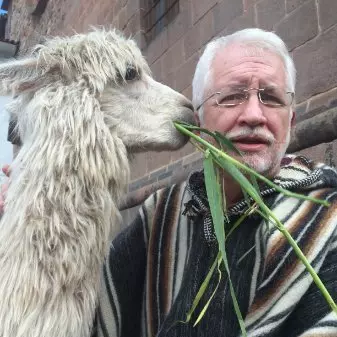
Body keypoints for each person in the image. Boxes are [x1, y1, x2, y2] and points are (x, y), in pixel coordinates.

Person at [2, 29, 337, 337]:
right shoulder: (166, 215)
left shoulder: (327, 217)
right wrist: (33, 213)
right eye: (232, 97)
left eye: (272, 98)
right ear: (201, 116)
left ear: (291, 118)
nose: (253, 114)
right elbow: (73, 302)